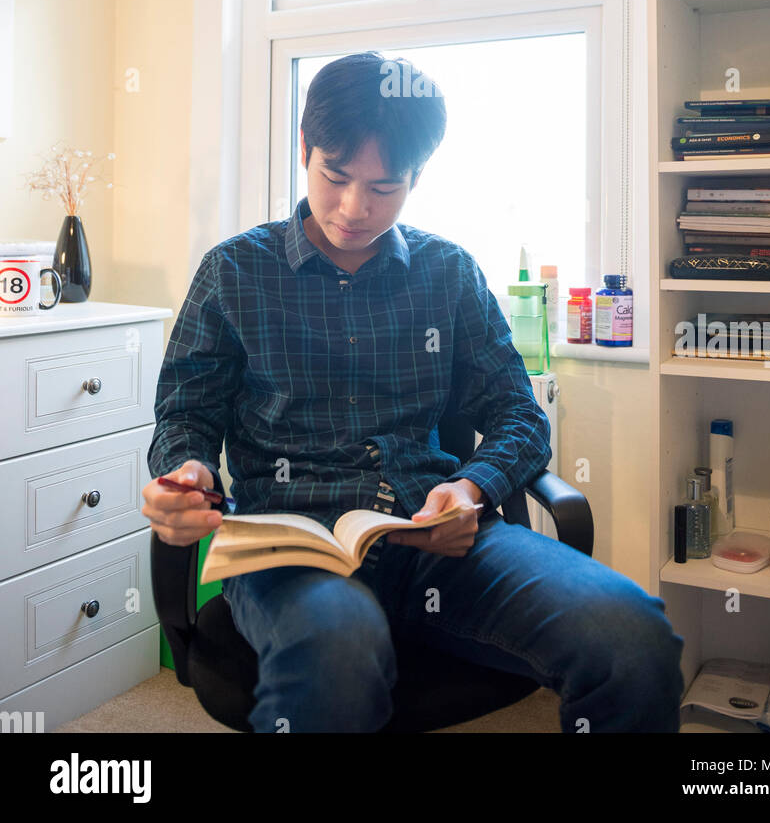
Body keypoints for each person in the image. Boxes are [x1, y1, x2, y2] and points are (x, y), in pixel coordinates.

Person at [143, 51, 684, 732]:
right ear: (304, 149)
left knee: (631, 636)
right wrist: (186, 474)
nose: (352, 209)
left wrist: (472, 489)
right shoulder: (233, 272)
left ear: (417, 177)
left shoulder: (447, 272)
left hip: (438, 544)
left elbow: (519, 415)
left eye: (383, 188)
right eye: (334, 177)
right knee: (337, 653)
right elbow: (185, 415)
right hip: (292, 553)